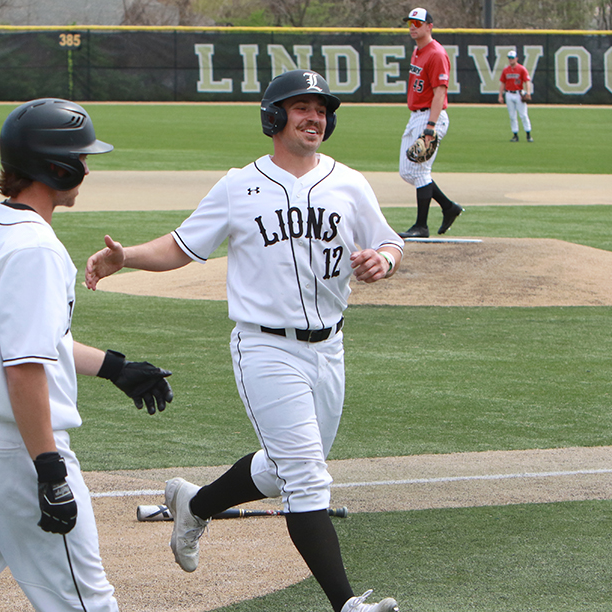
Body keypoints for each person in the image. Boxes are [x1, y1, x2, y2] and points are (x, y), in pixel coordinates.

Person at [85, 70, 404, 612]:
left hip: (330, 348)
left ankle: (195, 504)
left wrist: (385, 260)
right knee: (306, 477)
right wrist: (126, 257)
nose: (314, 118)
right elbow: (182, 245)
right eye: (301, 108)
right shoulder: (240, 185)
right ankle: (348, 605)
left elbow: (388, 240)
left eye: (321, 110)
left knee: (284, 469)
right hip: (266, 348)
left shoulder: (349, 182)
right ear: (274, 117)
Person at [0, 98, 174, 612]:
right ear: (56, 165)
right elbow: (23, 368)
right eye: (81, 158)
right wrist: (49, 470)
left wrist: (115, 368)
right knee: (85, 601)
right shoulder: (36, 248)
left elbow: (27, 340)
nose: (88, 168)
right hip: (18, 450)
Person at [396, 7, 463, 239]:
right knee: (407, 171)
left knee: (420, 170)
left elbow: (439, 92)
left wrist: (430, 128)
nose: (412, 27)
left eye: (417, 23)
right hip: (416, 115)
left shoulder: (436, 54)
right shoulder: (417, 51)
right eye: (410, 23)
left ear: (429, 26)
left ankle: (421, 226)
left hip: (430, 116)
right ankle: (448, 207)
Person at [499, 49, 534, 142]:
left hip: (519, 94)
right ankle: (515, 135)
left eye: (512, 58)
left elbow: (527, 81)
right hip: (509, 94)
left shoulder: (521, 69)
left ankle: (528, 135)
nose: (511, 59)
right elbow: (502, 83)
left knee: (523, 115)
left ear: (516, 58)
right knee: (512, 116)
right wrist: (500, 95)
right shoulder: (506, 70)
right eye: (509, 58)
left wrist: (528, 93)